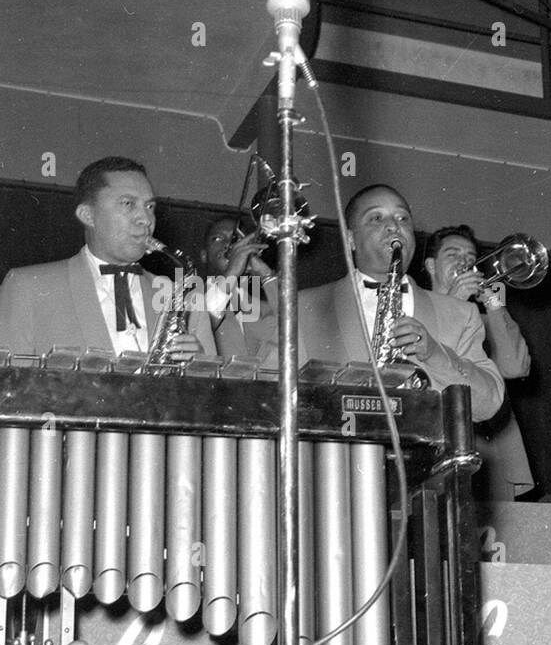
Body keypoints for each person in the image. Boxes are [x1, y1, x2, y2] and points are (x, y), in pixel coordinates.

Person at [296, 185, 504, 421]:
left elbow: (489, 404)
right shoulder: (303, 307)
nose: (394, 226)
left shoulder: (461, 314)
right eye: (376, 218)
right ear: (350, 239)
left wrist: (435, 354)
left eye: (402, 218)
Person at [0, 156, 217, 362]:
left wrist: (198, 366)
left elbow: (214, 393)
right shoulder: (27, 287)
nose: (146, 219)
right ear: (88, 215)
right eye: (128, 204)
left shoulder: (183, 298)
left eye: (149, 206)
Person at [418, 225, 533, 499]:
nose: (465, 263)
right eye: (453, 254)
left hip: (488, 447)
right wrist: (453, 303)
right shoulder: (414, 309)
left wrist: (494, 302)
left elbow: (516, 367)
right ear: (431, 265)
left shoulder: (485, 319)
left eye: (470, 257)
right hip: (432, 443)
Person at [199, 212, 278, 362]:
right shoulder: (189, 297)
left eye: (237, 239)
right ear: (204, 255)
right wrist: (231, 273)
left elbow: (292, 329)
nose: (229, 244)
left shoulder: (259, 308)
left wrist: (265, 274)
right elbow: (201, 323)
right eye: (218, 238)